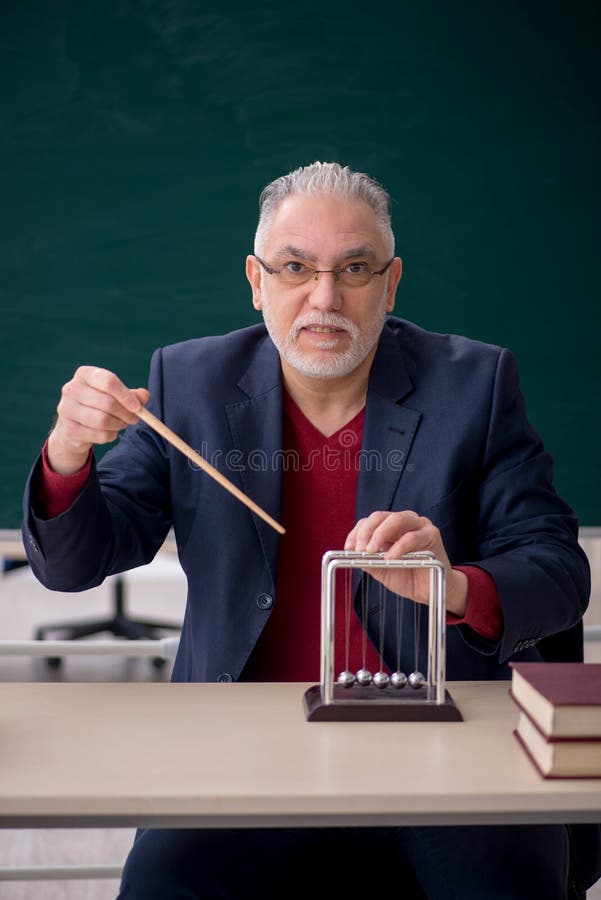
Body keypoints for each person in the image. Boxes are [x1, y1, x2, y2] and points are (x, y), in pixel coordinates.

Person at [22, 161, 599, 899]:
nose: (323, 298)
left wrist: (453, 585)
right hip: (238, 750)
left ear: (389, 284)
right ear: (256, 280)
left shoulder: (475, 385)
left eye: (353, 269)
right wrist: (69, 453)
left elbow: (556, 568)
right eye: (295, 267)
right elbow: (75, 564)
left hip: (444, 746)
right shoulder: (187, 382)